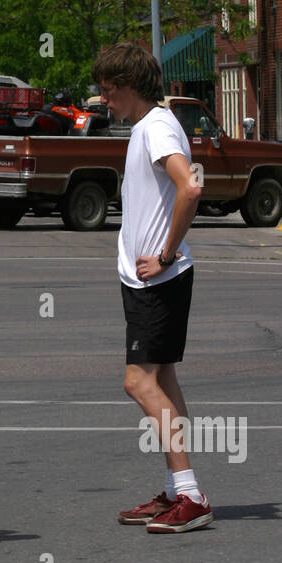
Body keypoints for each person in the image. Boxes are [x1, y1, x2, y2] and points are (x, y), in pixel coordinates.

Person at [93, 42, 212, 533]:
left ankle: (190, 495)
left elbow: (191, 187)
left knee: (137, 382)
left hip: (159, 279)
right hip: (147, 280)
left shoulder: (158, 126)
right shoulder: (148, 127)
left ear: (128, 87)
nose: (103, 100)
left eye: (107, 90)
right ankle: (174, 488)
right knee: (162, 382)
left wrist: (164, 254)